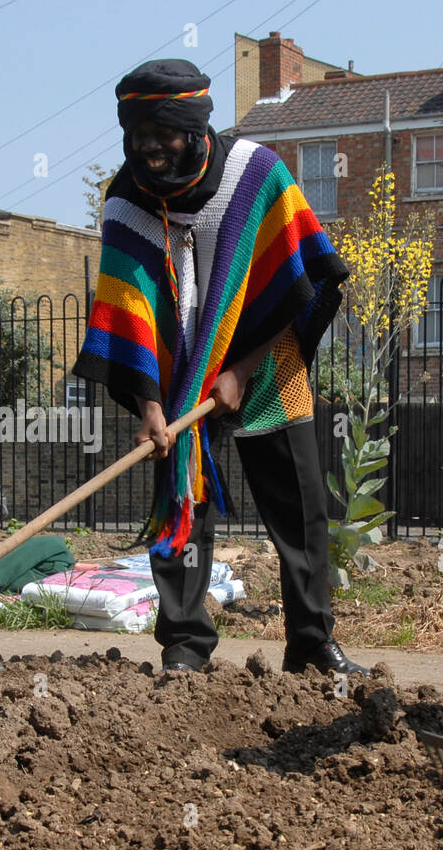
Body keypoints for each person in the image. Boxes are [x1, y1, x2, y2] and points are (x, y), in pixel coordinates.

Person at [75, 59, 365, 676]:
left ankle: (312, 645)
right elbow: (130, 309)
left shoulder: (256, 175)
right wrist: (151, 406)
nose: (148, 147)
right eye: (137, 134)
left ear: (195, 127)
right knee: (181, 509)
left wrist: (241, 368)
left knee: (302, 508)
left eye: (162, 133)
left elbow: (303, 279)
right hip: (180, 381)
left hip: (266, 365)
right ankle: (184, 648)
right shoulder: (125, 200)